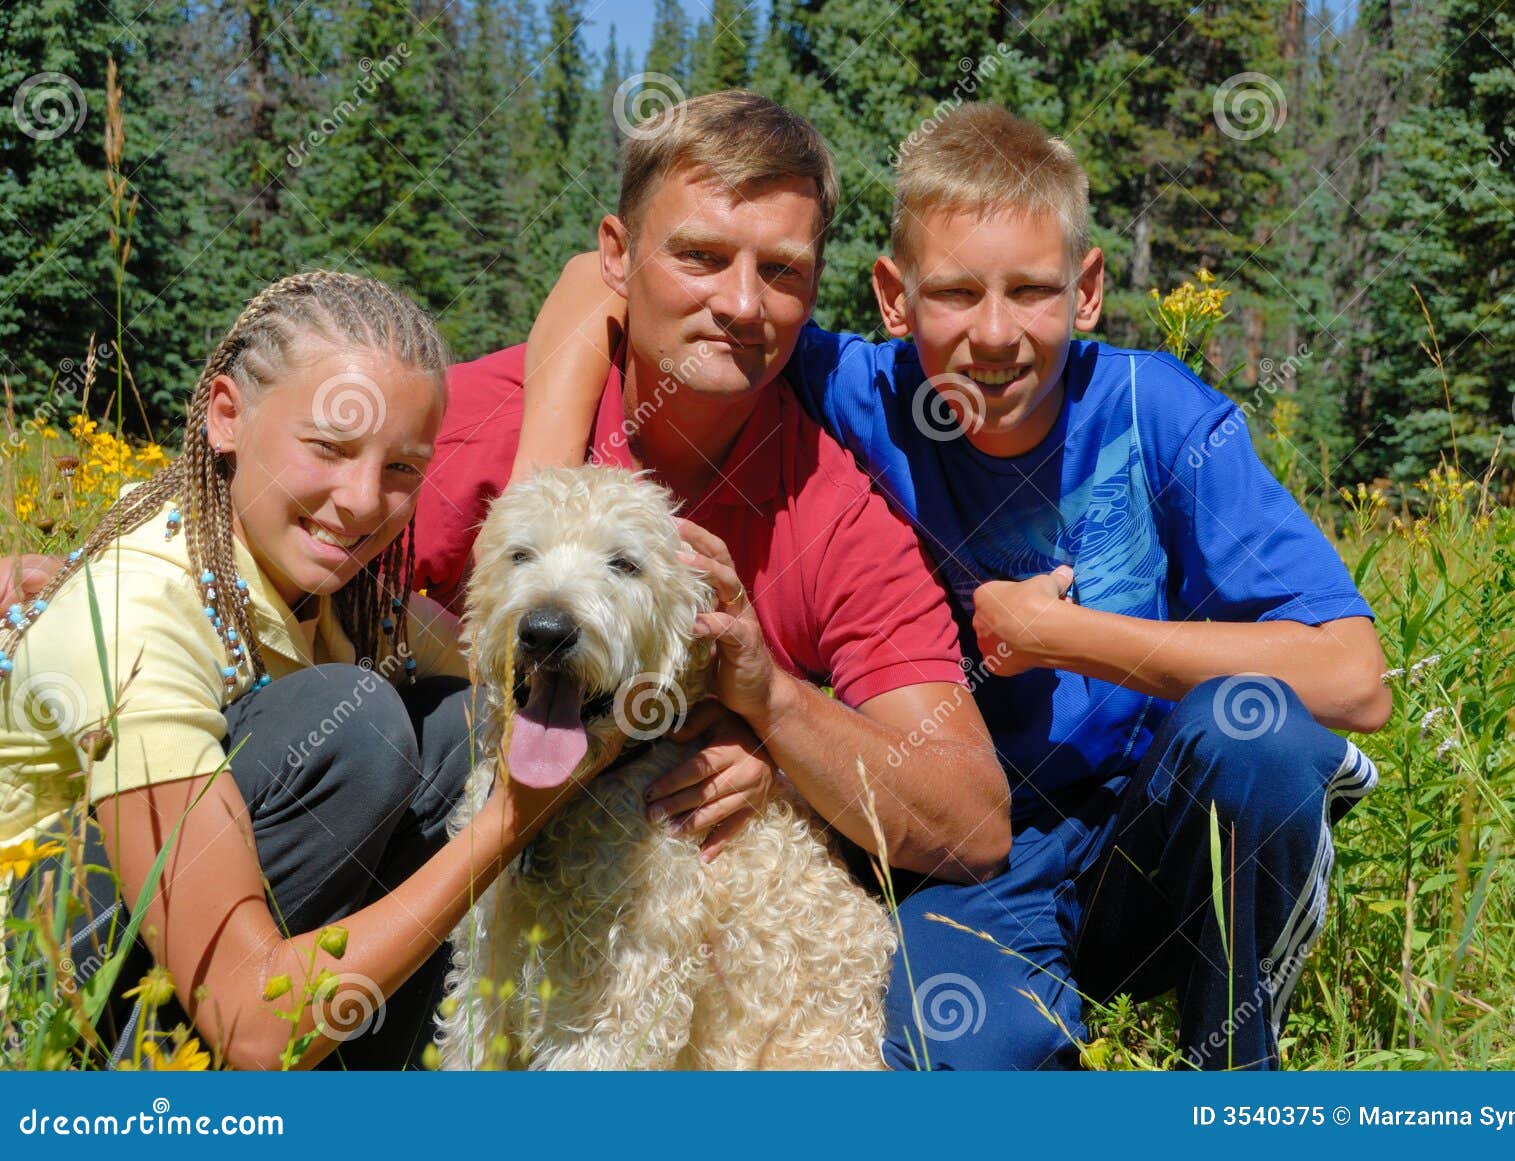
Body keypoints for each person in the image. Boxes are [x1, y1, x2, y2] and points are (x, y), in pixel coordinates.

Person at [517, 101, 1392, 1069]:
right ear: (894, 299)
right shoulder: (852, 385)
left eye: (1032, 291)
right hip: (985, 854)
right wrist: (537, 508)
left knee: (1257, 734)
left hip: (1154, 821)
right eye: (954, 294)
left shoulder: (1160, 415)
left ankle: (1234, 1068)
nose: (995, 334)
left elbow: (1354, 679)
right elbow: (588, 282)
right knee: (949, 1052)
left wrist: (1064, 638)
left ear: (1087, 289)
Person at [409, 90, 1011, 880]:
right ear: (618, 256)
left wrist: (777, 716)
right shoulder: (468, 427)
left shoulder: (830, 509)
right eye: (699, 255)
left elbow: (973, 825)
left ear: (818, 283)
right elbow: (300, 624)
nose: (739, 304)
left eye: (782, 270)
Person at [1, 272, 595, 1070]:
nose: (360, 501)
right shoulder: (138, 616)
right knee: (355, 722)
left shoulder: (350, 599)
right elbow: (254, 1025)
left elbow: (512, 664)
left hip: (211, 980)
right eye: (329, 447)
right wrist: (507, 820)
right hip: (43, 998)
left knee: (464, 727)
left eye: (400, 469)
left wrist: (734, 721)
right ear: (226, 416)